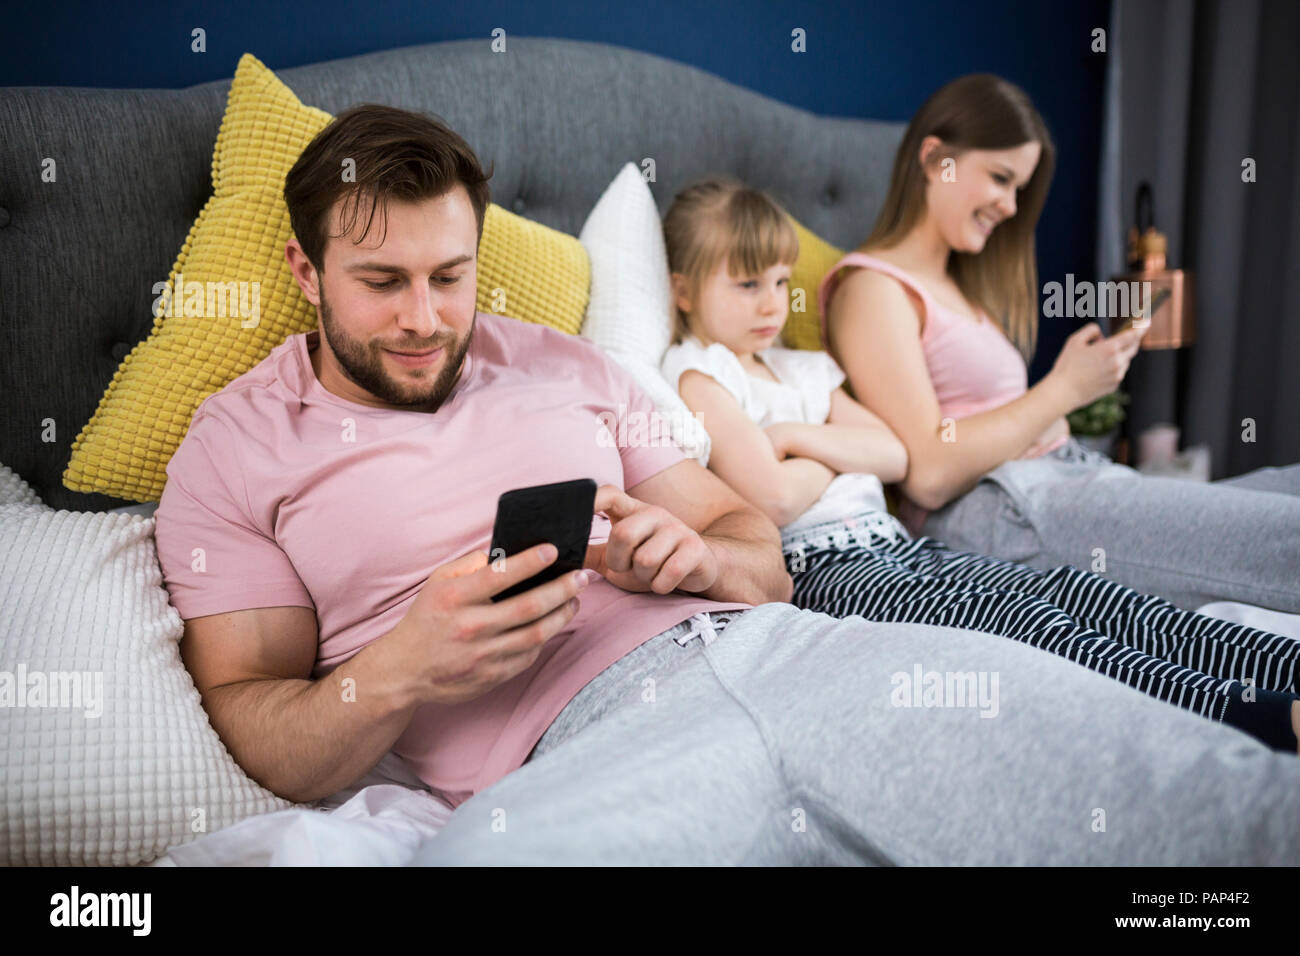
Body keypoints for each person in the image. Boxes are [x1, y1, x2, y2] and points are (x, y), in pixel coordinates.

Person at [152, 104, 1300, 865]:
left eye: (449, 275)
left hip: (785, 652)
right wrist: (398, 669)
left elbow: (755, 542)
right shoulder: (234, 446)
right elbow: (258, 726)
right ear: (305, 269)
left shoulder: (570, 363)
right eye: (381, 281)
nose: (424, 317)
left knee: (1216, 812)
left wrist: (701, 553)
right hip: (583, 756)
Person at [658, 178, 1300, 755]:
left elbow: (895, 455)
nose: (773, 304)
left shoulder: (805, 371)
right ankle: (1254, 717)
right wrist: (833, 447)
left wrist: (795, 436)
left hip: (897, 543)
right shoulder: (696, 373)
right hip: (826, 568)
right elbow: (770, 499)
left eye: (780, 281)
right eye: (747, 284)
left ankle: (1281, 669)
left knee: (1079, 593)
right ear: (683, 289)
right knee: (1030, 628)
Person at [818, 73, 1300, 616]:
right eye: (1000, 178)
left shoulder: (960, 289)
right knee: (1281, 540)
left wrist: (1053, 415)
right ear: (934, 159)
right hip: (1001, 506)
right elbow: (928, 473)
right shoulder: (872, 288)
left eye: (1018, 189)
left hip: (1056, 478)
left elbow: (994, 420)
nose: (1009, 205)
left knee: (1287, 490)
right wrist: (1063, 390)